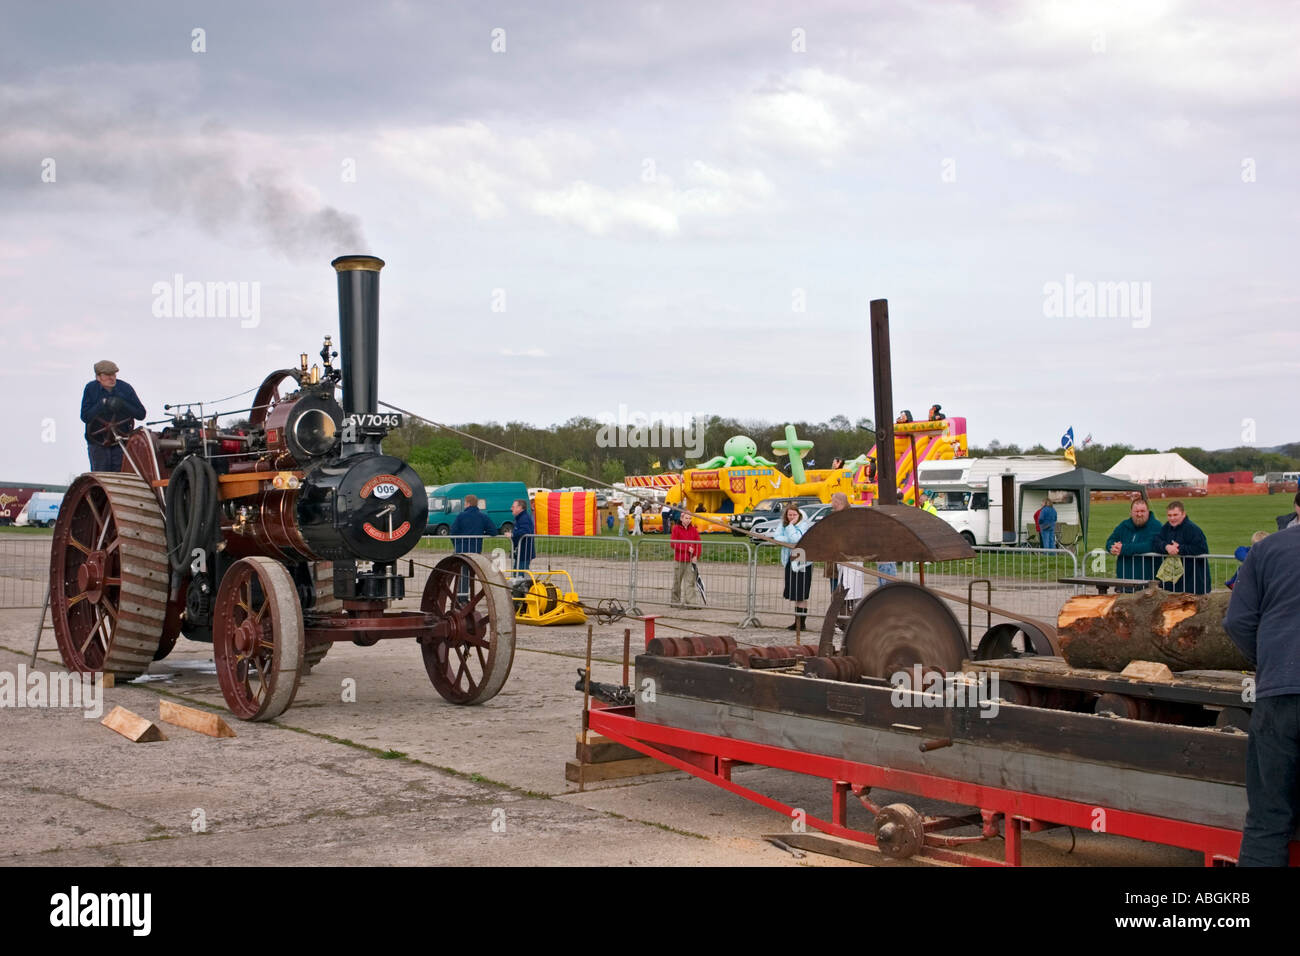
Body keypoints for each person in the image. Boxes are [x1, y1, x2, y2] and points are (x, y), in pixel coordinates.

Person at [1223, 522, 1300, 866]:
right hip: (1279, 684)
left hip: (1279, 694)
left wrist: (1273, 663)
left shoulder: (1267, 550)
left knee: (1267, 821)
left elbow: (1237, 621)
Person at [80, 360, 146, 472]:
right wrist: (102, 403)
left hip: (120, 443)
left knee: (120, 477)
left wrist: (123, 403)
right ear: (98, 377)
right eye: (108, 375)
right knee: (102, 477)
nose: (112, 378)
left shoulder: (125, 388)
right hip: (98, 443)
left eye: (114, 374)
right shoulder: (91, 389)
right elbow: (85, 417)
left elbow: (141, 414)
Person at [1154, 501, 1211, 594]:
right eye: (1169, 515)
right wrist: (1166, 547)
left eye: (1175, 515)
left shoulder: (1193, 529)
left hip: (1193, 584)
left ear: (1183, 514)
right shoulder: (1166, 528)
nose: (1172, 518)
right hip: (1172, 584)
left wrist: (1179, 549)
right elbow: (1156, 542)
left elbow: (1202, 549)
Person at [771, 503, 812, 631]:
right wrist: (789, 535)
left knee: (801, 593)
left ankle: (801, 623)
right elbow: (777, 537)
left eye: (794, 515)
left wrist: (790, 527)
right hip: (789, 560)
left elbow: (797, 538)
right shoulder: (783, 524)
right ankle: (796, 621)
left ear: (799, 515)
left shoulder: (803, 525)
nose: (792, 517)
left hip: (801, 561)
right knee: (794, 592)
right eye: (789, 515)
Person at [1105, 498, 1164, 586]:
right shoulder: (1124, 525)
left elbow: (1150, 545)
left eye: (1142, 511)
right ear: (1131, 512)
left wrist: (1123, 548)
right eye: (1136, 511)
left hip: (1148, 584)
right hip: (1124, 582)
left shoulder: (1156, 526)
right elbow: (1110, 540)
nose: (1139, 514)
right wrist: (1112, 548)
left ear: (1148, 512)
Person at [669, 510, 702, 608]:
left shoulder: (693, 530)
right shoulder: (676, 529)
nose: (688, 520)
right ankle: (675, 601)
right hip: (679, 560)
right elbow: (673, 543)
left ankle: (691, 603)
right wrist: (687, 548)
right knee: (677, 582)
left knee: (690, 582)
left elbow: (698, 543)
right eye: (686, 518)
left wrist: (696, 555)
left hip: (690, 561)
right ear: (681, 518)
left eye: (690, 518)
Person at [509, 498, 534, 571]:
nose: (511, 508)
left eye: (513, 507)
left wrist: (512, 534)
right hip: (520, 553)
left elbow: (525, 530)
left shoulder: (524, 518)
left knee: (520, 576)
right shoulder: (520, 518)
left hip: (524, 553)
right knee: (517, 573)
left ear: (519, 508)